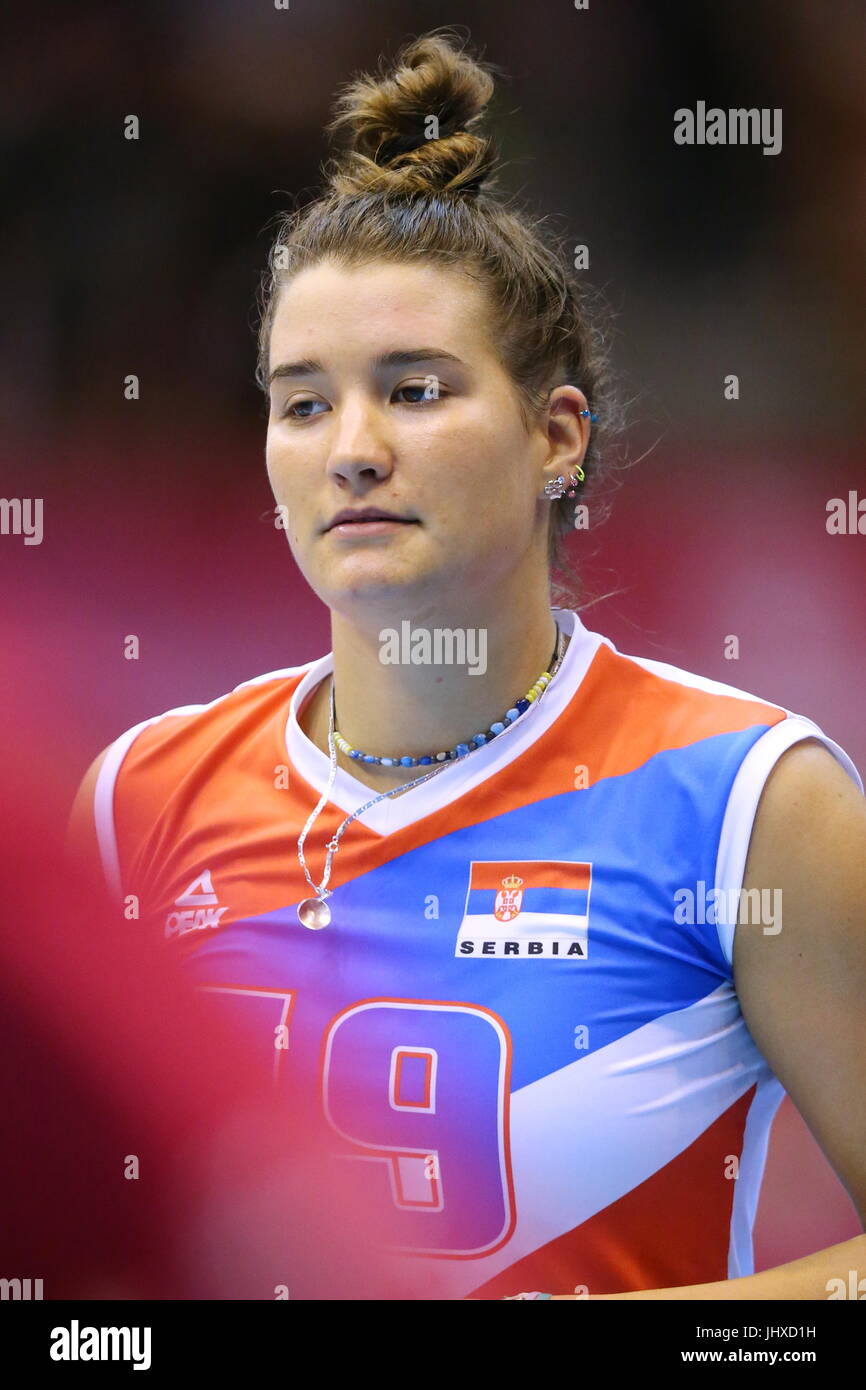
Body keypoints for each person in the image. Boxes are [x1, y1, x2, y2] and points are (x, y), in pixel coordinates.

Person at [66, 29, 866, 1300]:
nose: (353, 449)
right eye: (303, 400)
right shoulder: (137, 796)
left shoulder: (747, 801)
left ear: (555, 435)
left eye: (417, 389)